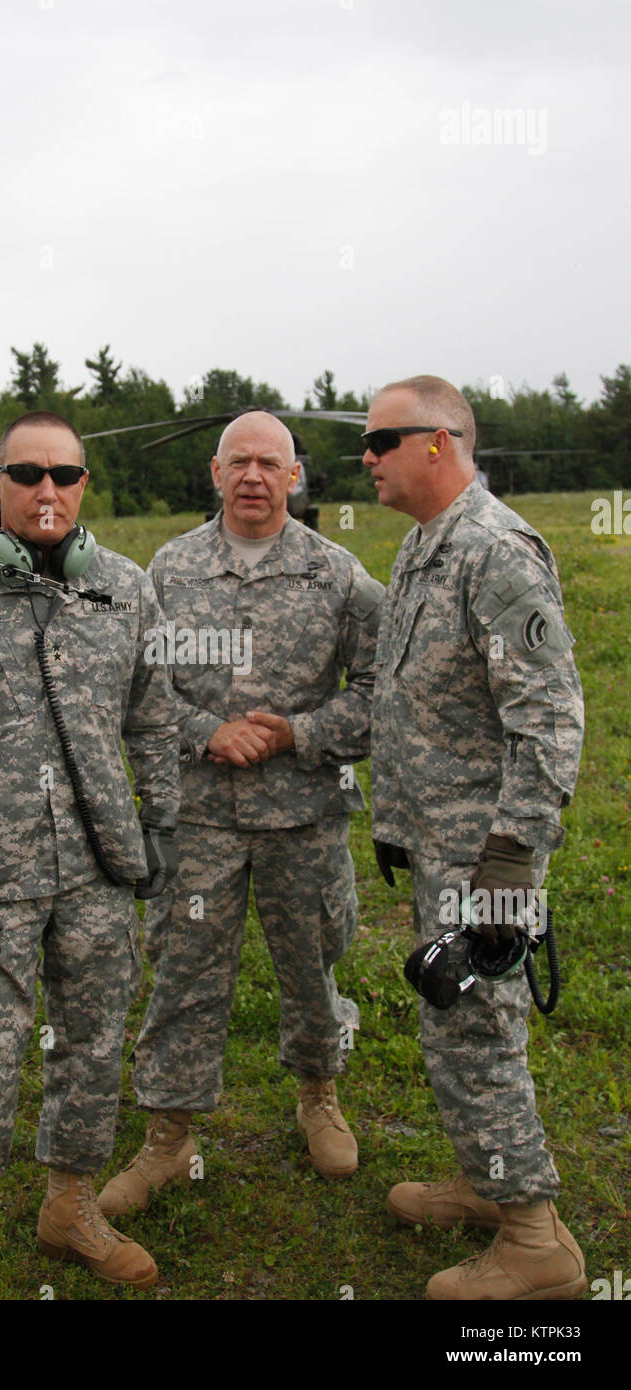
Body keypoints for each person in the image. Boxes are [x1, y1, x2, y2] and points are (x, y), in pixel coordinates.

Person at [0, 410, 180, 1296]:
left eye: (65, 475)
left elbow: (155, 712)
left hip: (97, 867)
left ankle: (70, 1204)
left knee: (92, 1048)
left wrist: (160, 820)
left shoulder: (127, 591)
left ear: (86, 485)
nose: (46, 491)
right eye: (26, 474)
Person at [99, 410, 384, 1218]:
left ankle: (319, 1094)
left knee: (312, 967)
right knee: (183, 974)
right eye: (239, 463)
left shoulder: (338, 574)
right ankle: (168, 1134)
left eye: (271, 463)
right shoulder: (170, 570)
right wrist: (204, 731)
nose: (254, 477)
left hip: (305, 816)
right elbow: (143, 687)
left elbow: (376, 691)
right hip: (202, 820)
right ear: (216, 474)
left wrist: (301, 732)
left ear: (295, 477)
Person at [364, 374, 586, 1301]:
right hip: (440, 836)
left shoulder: (496, 551)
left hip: (484, 849)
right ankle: (488, 1179)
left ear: (437, 442)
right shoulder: (426, 547)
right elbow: (413, 695)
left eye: (380, 443)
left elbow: (549, 719)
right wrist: (394, 817)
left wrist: (508, 860)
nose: (365, 460)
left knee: (478, 1029)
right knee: (454, 1015)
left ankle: (535, 1243)